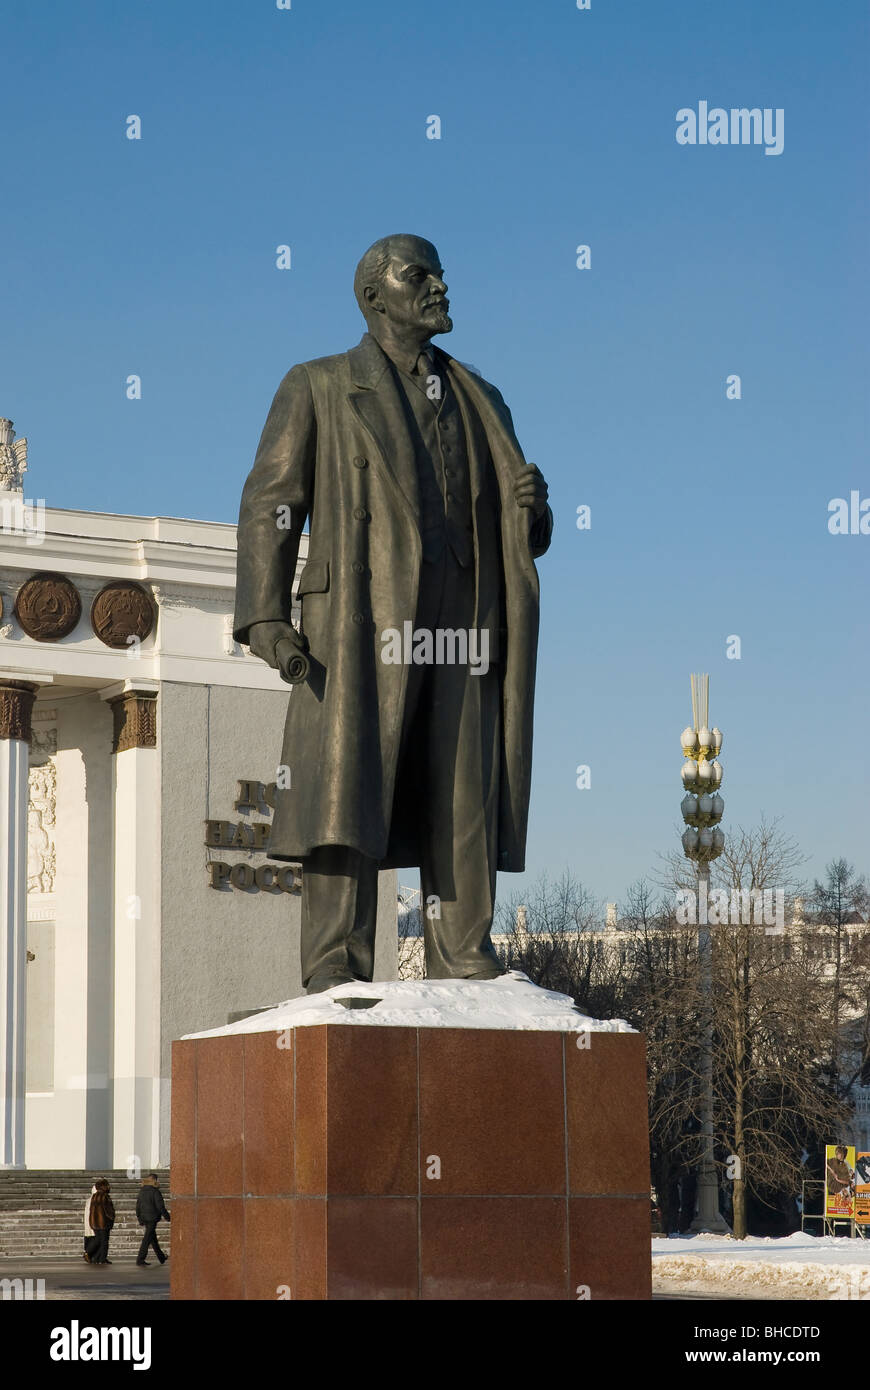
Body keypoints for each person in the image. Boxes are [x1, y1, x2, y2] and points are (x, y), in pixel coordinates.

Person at [234, 234, 552, 991]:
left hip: (465, 614)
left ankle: (463, 952)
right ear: (376, 297)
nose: (441, 286)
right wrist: (267, 616)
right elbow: (271, 502)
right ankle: (337, 967)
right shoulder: (319, 385)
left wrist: (533, 515)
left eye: (441, 273)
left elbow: (521, 533)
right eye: (422, 275)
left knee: (462, 784)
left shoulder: (482, 398)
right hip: (359, 617)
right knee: (347, 786)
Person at [136, 1173, 170, 1266]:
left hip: (144, 1217)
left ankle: (161, 1257)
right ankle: (140, 1259)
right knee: (147, 1238)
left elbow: (138, 1206)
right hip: (152, 1218)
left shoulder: (142, 1191)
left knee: (152, 1238)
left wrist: (139, 1217)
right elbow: (160, 1206)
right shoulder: (155, 1191)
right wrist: (167, 1217)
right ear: (154, 1180)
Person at [88, 1178, 115, 1265]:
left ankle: (96, 1257)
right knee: (104, 1241)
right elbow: (108, 1210)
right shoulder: (105, 1196)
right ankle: (102, 1258)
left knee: (98, 1239)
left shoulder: (94, 1196)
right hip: (103, 1222)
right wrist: (112, 1217)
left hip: (95, 1222)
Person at [82, 1182, 97, 1263]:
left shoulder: (89, 1200)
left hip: (89, 1222)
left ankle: (89, 1253)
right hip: (93, 1222)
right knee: (95, 1238)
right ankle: (88, 1253)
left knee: (90, 1237)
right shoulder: (95, 1199)